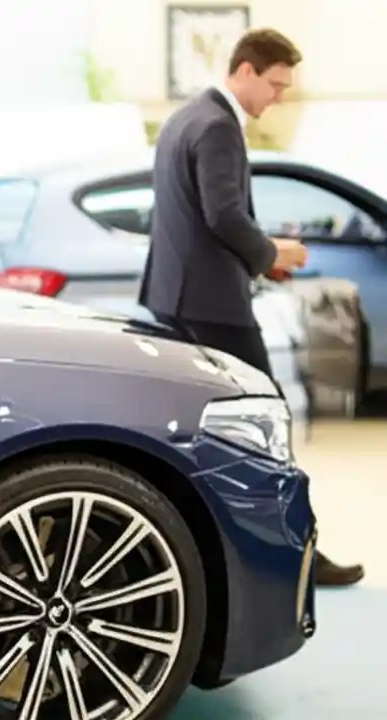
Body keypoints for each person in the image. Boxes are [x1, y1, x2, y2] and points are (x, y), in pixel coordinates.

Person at [139, 28, 363, 586]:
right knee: (266, 424)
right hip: (213, 308)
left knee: (203, 435)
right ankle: (296, 556)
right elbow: (224, 216)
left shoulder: (184, 118)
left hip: (178, 299)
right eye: (275, 84)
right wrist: (269, 254)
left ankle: (236, 552)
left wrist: (260, 258)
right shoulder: (218, 126)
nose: (278, 98)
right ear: (245, 70)